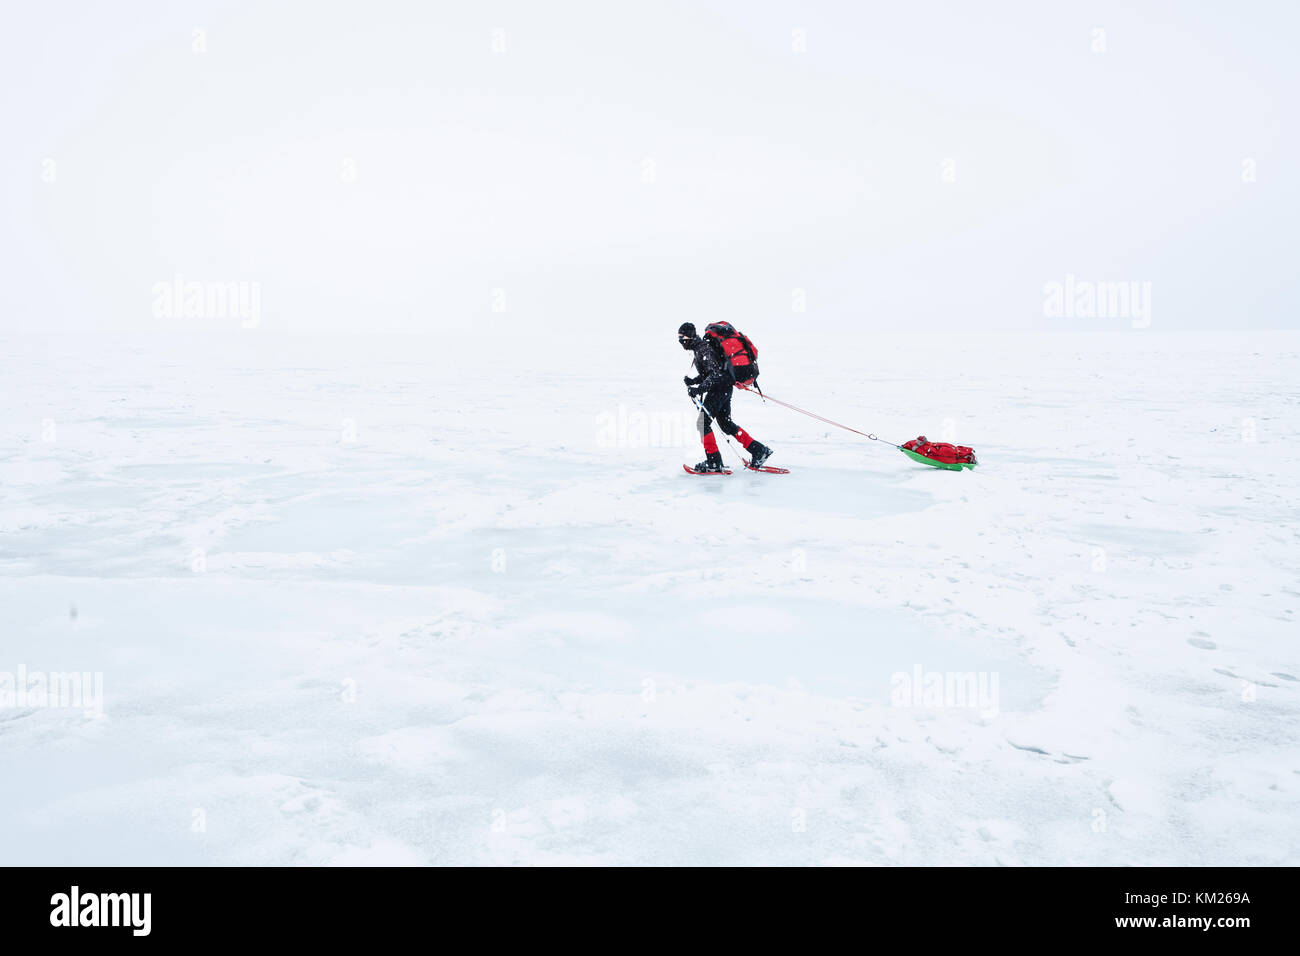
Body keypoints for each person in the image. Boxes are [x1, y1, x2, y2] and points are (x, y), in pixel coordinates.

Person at [678, 322, 773, 472]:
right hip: (724, 387)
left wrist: (699, 389)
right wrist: (694, 381)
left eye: (681, 337)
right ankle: (758, 450)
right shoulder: (700, 348)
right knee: (726, 424)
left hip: (720, 388)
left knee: (702, 423)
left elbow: (715, 374)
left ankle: (714, 462)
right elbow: (711, 372)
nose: (680, 341)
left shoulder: (703, 349)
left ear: (689, 336)